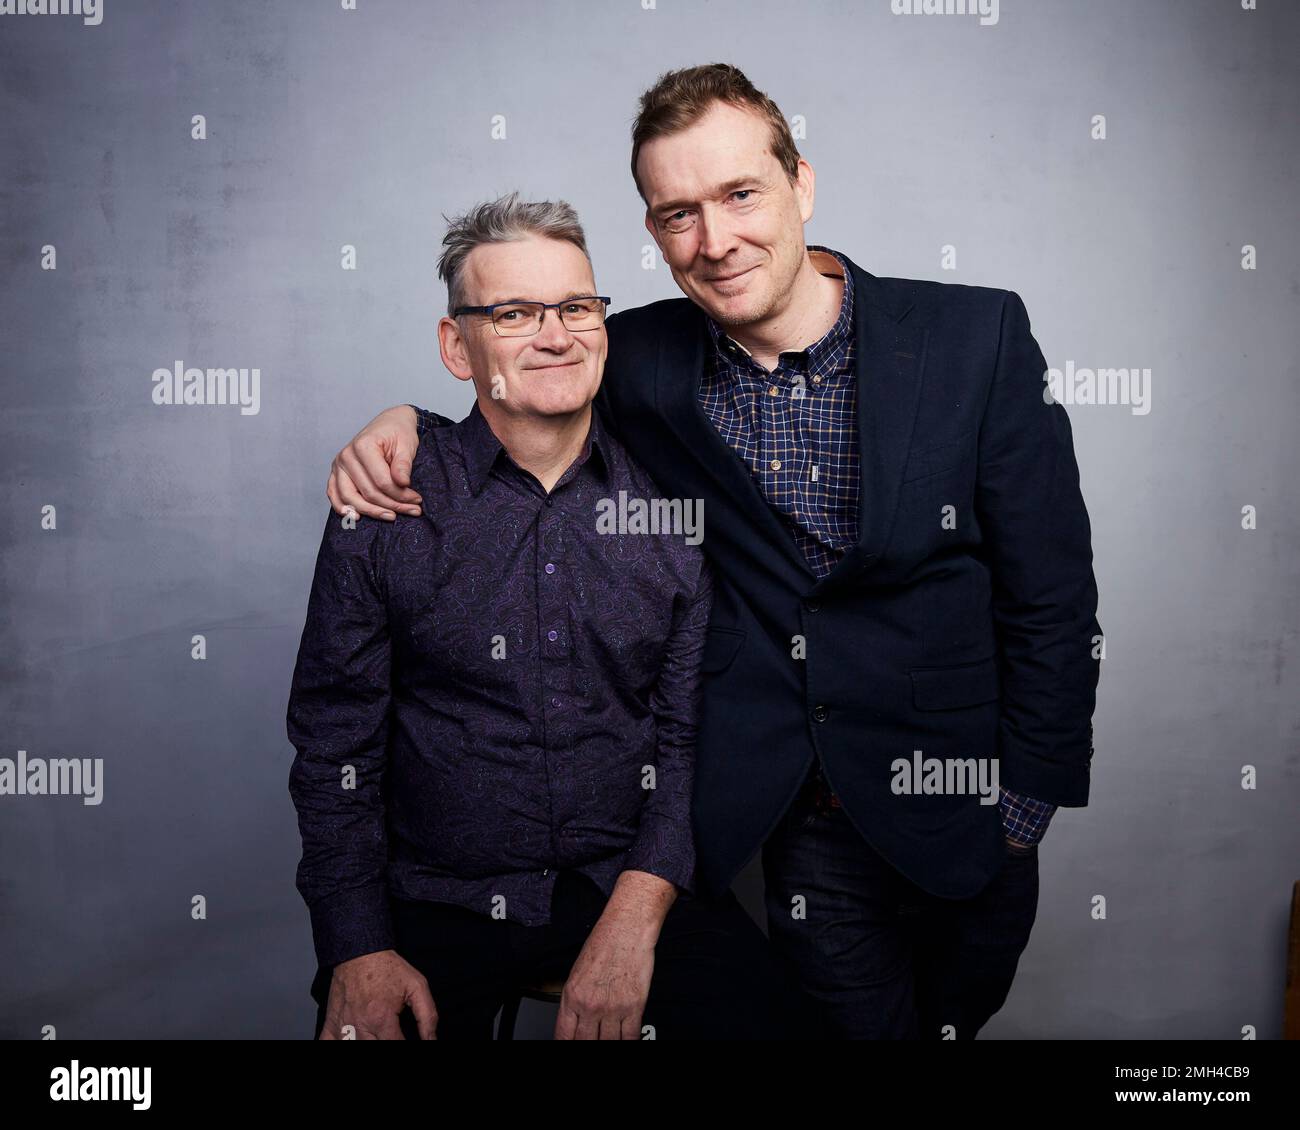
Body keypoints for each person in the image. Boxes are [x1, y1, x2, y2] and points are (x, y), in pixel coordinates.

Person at [322, 64, 1102, 1039]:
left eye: (740, 194)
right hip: (791, 808)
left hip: (961, 793)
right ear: (653, 232)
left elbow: (1053, 594)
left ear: (800, 184)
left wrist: (1028, 797)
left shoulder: (971, 335)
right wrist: (404, 424)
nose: (715, 239)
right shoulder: (636, 355)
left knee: (956, 1017)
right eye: (676, 212)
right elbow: (516, 374)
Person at [288, 193, 819, 1040]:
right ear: (454, 346)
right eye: (513, 312)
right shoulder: (384, 504)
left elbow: (686, 741)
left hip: (625, 881)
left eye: (576, 306)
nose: (556, 335)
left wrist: (638, 916)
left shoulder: (672, 511)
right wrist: (355, 946)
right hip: (434, 897)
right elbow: (333, 744)